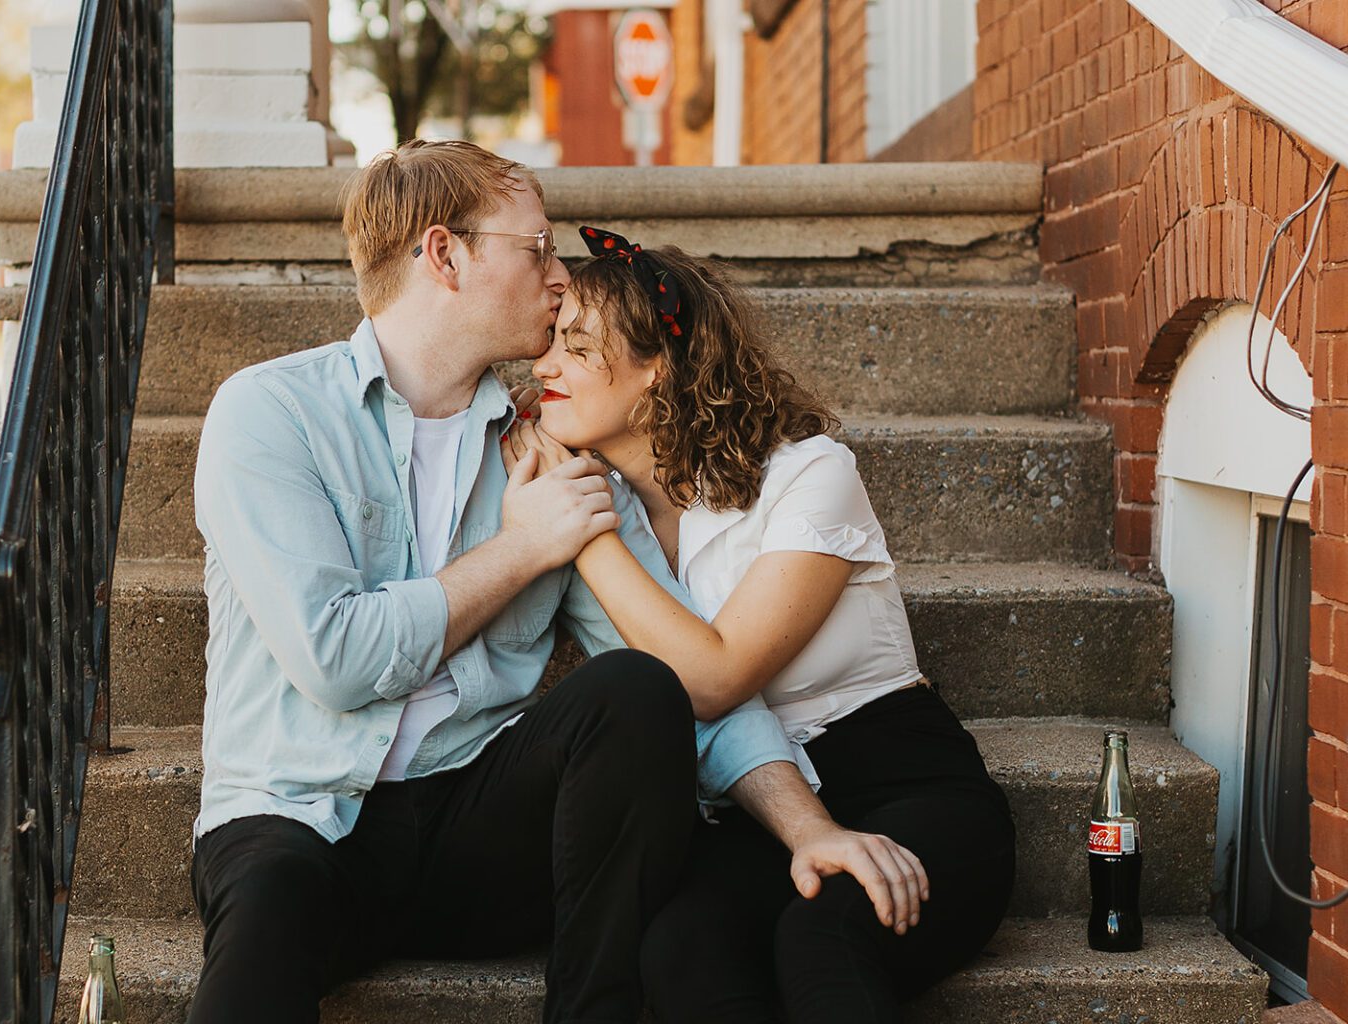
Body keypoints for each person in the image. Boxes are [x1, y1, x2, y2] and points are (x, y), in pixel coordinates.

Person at [185, 141, 830, 1024]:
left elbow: (679, 670)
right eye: (538, 249)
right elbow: (332, 655)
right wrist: (523, 549)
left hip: (475, 827)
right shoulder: (271, 414)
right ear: (445, 254)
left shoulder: (549, 452)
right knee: (267, 912)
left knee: (634, 690)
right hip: (300, 820)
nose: (562, 279)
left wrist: (810, 831)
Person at [502, 226, 1017, 1024]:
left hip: (903, 782)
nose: (542, 367)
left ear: (657, 369)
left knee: (825, 935)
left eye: (574, 347)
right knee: (678, 951)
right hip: (750, 809)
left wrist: (582, 530)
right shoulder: (614, 506)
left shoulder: (808, 475)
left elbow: (713, 680)